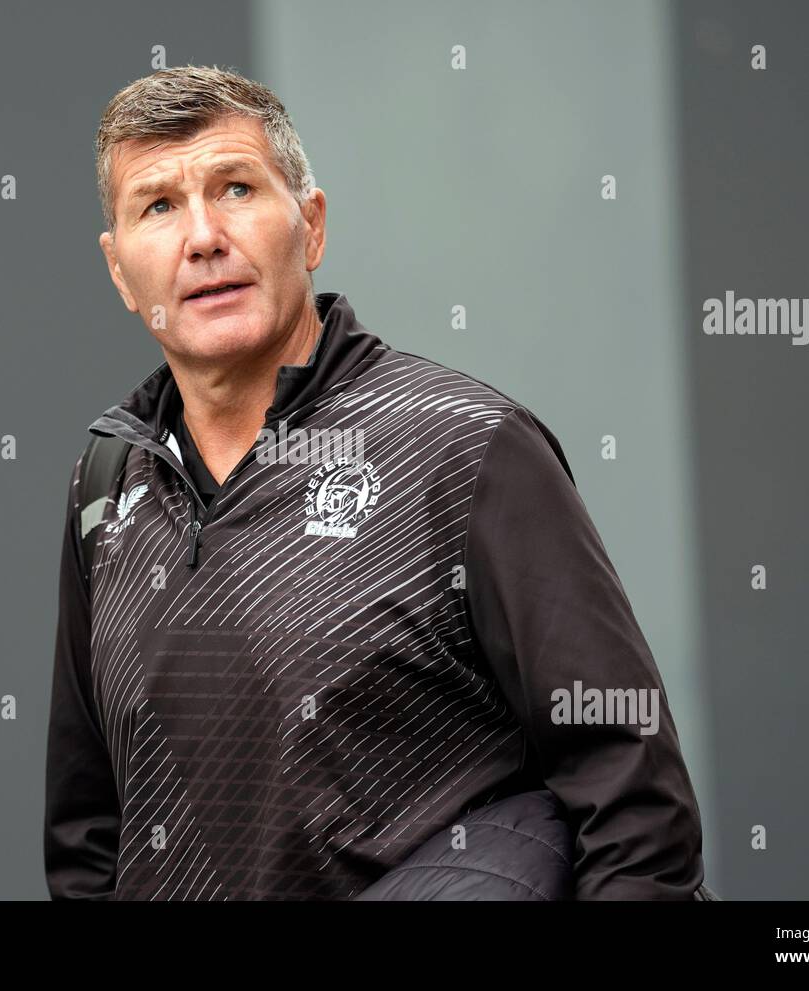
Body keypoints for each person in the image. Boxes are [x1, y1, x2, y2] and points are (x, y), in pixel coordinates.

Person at [44, 64, 706, 900]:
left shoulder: (465, 447)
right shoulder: (104, 483)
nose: (203, 236)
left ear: (311, 226)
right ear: (119, 270)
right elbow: (88, 837)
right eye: (159, 206)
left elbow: (630, 787)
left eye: (237, 188)